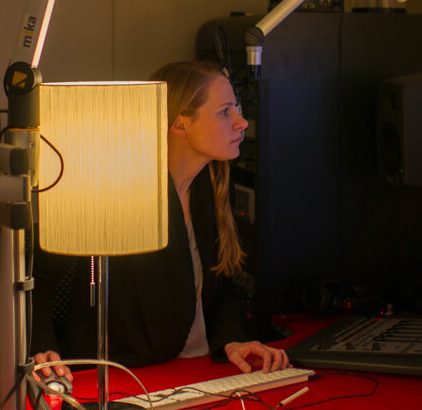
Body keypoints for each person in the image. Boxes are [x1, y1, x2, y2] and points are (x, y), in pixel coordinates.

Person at [32, 59, 289, 380]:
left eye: (236, 108)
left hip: (199, 367)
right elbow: (37, 277)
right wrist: (42, 347)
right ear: (180, 125)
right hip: (126, 375)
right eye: (225, 112)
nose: (242, 123)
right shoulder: (115, 190)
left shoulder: (212, 184)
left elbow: (222, 286)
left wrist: (232, 340)